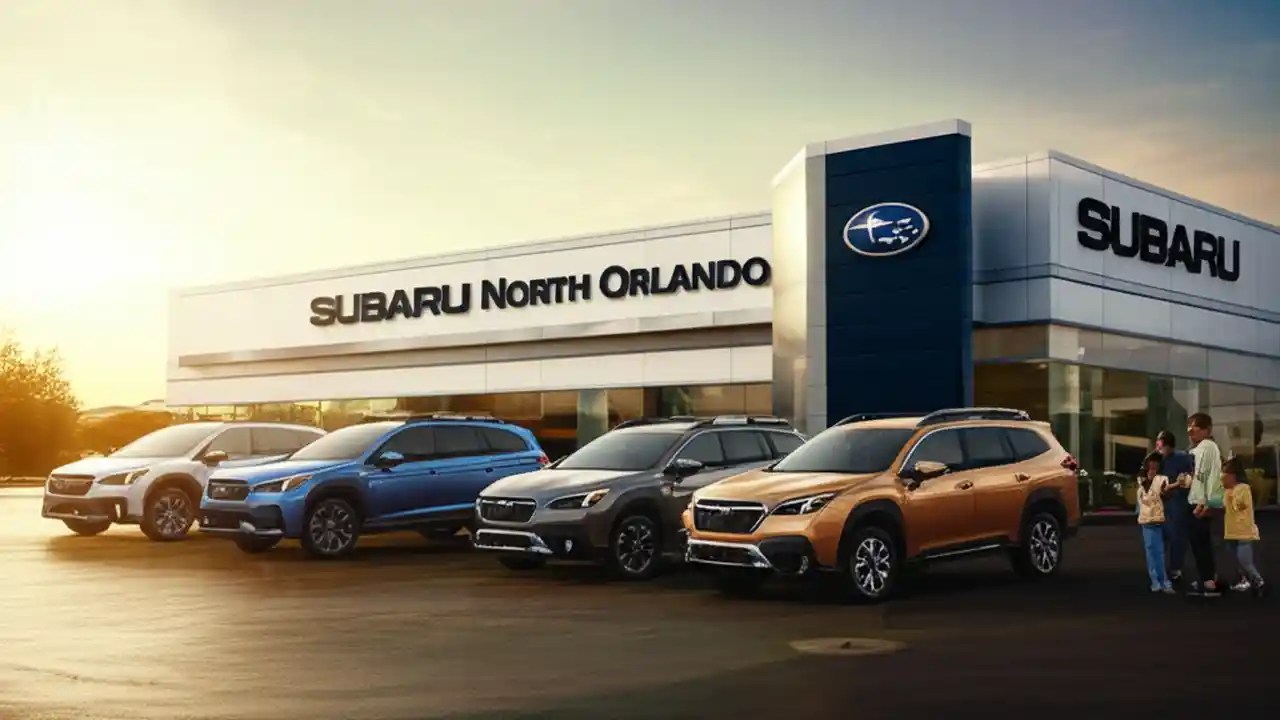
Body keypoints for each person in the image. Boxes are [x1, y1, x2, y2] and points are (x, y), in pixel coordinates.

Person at [1184, 412, 1225, 596]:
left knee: (1200, 543)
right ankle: (1209, 578)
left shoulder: (1207, 447)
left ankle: (1208, 581)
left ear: (1207, 430)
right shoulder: (1202, 448)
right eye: (1189, 428)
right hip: (1199, 502)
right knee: (1201, 542)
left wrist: (1205, 503)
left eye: (1195, 428)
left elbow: (1207, 477)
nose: (1190, 431)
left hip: (1200, 503)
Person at [1222, 456, 1266, 596]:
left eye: (1225, 473)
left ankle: (1259, 581)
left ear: (1233, 475)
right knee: (1235, 559)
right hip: (1231, 531)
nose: (1222, 476)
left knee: (1245, 561)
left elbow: (1239, 505)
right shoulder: (1227, 490)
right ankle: (1243, 580)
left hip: (1243, 532)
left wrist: (1231, 494)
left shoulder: (1243, 488)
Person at [1155, 430, 1195, 583]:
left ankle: (1176, 568)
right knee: (1159, 536)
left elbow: (1187, 479)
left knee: (1177, 536)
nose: (1158, 449)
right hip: (1160, 502)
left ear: (1168, 446)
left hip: (1178, 501)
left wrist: (1172, 488)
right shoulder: (1157, 458)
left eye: (1161, 446)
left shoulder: (1182, 458)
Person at [1136, 452, 1176, 594]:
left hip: (1161, 519)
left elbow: (1166, 493)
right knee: (1151, 551)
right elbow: (1144, 495)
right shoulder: (1142, 479)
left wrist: (1170, 487)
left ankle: (1164, 582)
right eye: (1151, 462)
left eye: (1156, 463)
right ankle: (1156, 582)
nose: (1153, 465)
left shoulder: (1162, 479)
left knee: (1159, 552)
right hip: (1146, 519)